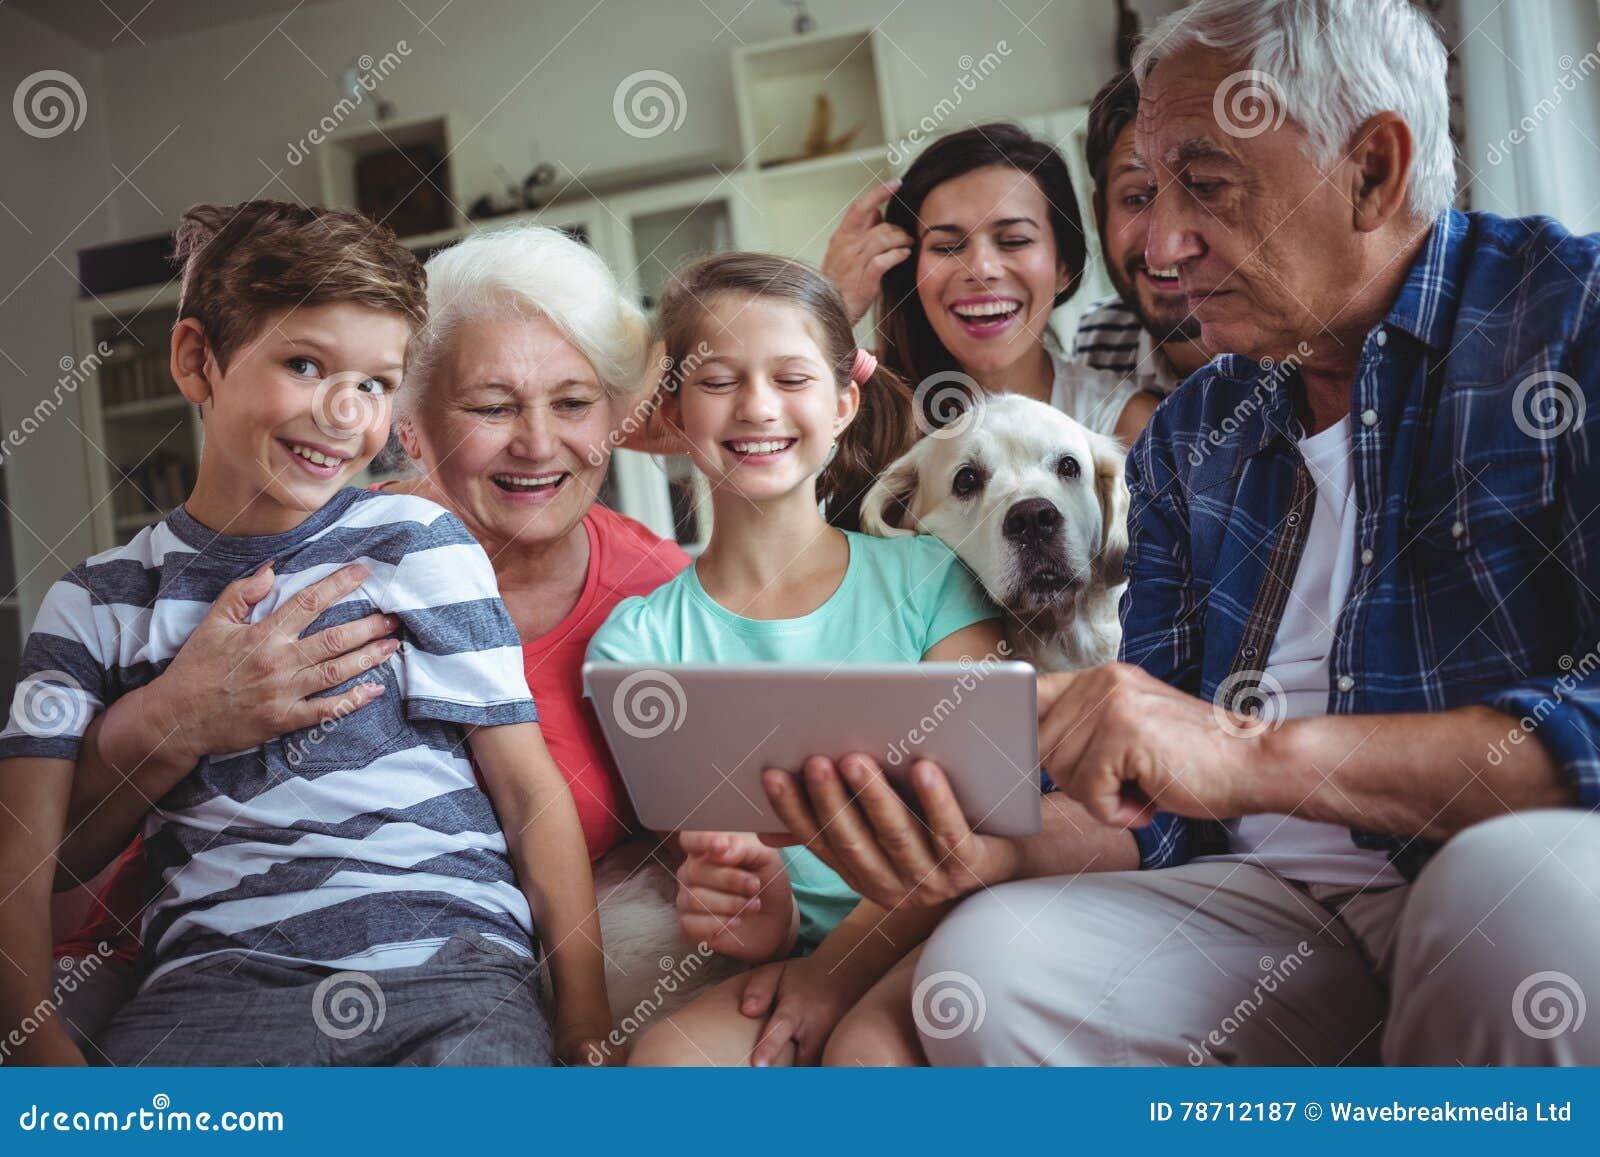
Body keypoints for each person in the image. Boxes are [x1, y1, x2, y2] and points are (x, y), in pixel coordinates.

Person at [765, 0, 1600, 1066]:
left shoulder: (1566, 323)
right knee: (983, 974)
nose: (1159, 245)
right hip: (1278, 914)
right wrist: (976, 849)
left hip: (1501, 876)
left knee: (1506, 902)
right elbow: (1149, 803)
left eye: (1205, 184)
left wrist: (1255, 753)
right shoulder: (1196, 433)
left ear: (1374, 168)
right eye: (1147, 193)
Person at [1, 205, 617, 1067]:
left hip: (446, 975)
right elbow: (32, 864)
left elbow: (527, 792)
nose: (342, 413)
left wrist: (585, 1013)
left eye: (375, 382)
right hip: (210, 996)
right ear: (195, 361)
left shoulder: (419, 543)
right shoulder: (95, 604)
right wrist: (41, 1062)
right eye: (303, 363)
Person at [587, 252, 1005, 1066]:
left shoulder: (933, 577)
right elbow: (709, 857)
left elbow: (982, 816)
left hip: (950, 925)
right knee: (665, 1065)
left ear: (844, 402)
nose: (756, 407)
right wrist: (755, 906)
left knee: (867, 1059)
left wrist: (838, 971)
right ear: (671, 410)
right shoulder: (637, 644)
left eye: (791, 377)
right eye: (716, 381)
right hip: (786, 959)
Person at [821, 123, 1157, 469]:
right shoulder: (861, 406)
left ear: (1064, 267)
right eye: (948, 247)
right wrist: (828, 307)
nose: (980, 269)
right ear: (913, 274)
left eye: (1015, 240)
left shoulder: (1127, 427)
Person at [1070, 68, 1210, 392]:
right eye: (1137, 198)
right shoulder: (1101, 338)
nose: (1165, 245)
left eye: (1203, 188)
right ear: (1098, 213)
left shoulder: (1308, 357)